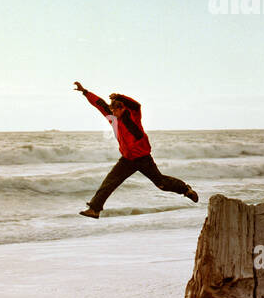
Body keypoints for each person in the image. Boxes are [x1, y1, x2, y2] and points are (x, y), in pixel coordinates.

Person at [74, 82, 198, 218]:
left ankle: (186, 190)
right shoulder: (113, 119)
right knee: (109, 183)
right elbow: (99, 104)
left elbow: (136, 105)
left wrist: (120, 96)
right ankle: (94, 209)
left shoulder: (134, 116)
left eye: (115, 110)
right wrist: (85, 92)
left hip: (143, 158)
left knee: (161, 184)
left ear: (122, 108)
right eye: (112, 111)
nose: (113, 113)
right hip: (127, 159)